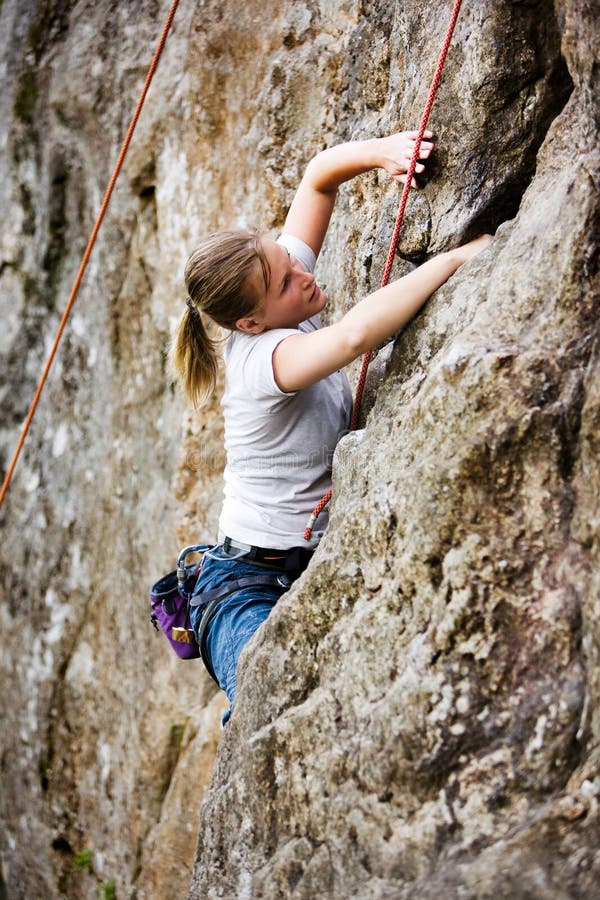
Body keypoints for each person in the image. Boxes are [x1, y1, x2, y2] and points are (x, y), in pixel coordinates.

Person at [171, 131, 491, 723]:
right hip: (244, 585)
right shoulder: (261, 362)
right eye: (285, 280)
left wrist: (388, 152)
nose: (300, 270)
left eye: (284, 256)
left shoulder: (280, 288)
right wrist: (452, 260)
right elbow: (353, 337)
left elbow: (319, 175)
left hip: (296, 566)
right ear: (250, 321)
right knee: (269, 701)